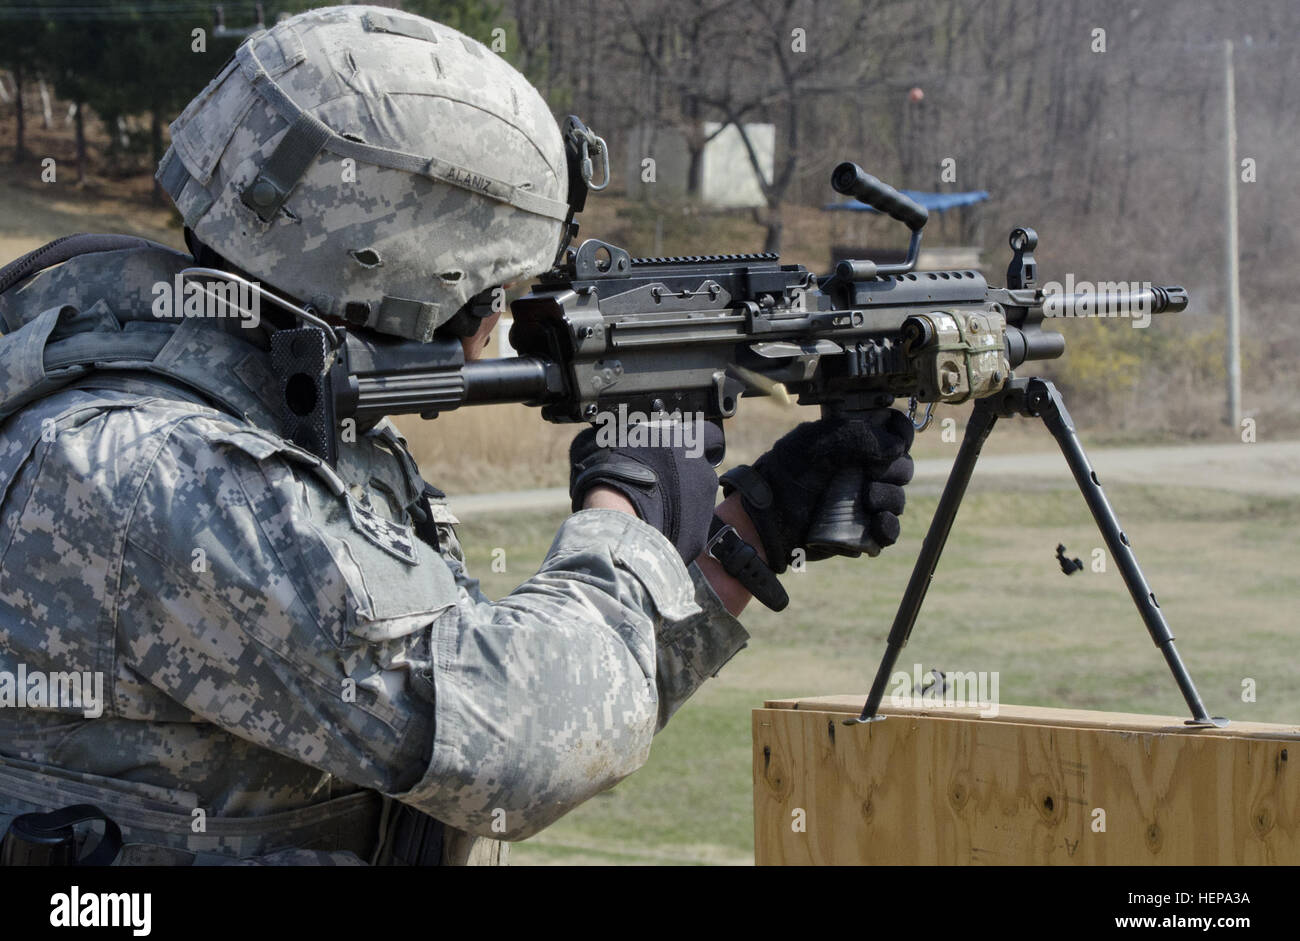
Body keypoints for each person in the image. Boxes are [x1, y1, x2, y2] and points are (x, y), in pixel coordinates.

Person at [0, 6, 912, 865]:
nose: (495, 330)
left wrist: (746, 533)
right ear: (407, 279)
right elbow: (515, 745)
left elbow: (494, 677)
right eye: (496, 296)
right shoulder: (161, 474)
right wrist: (626, 508)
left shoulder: (172, 401)